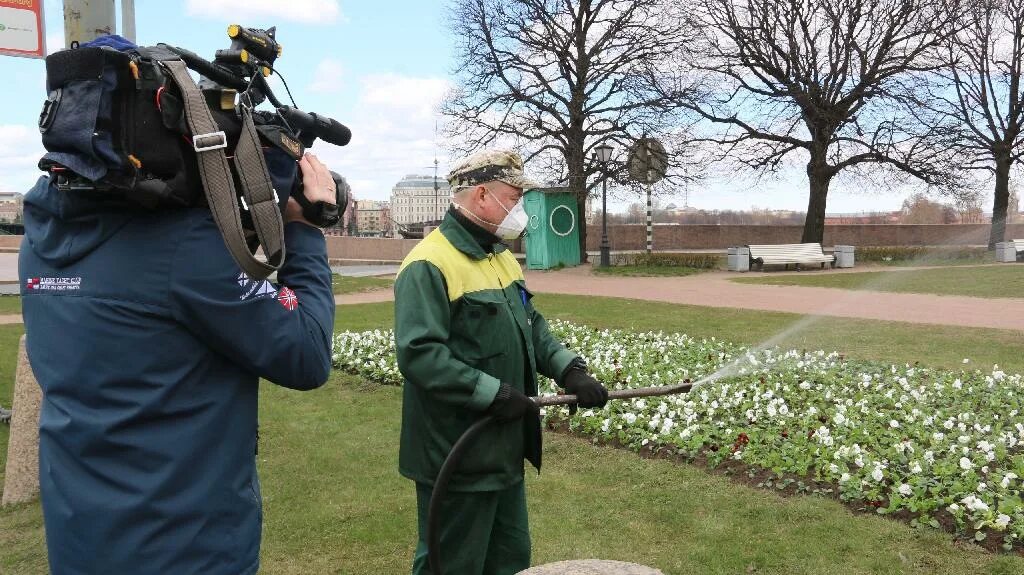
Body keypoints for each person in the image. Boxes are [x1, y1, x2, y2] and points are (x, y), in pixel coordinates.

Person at [19, 152, 338, 575]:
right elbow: (307, 352)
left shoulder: (41, 241)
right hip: (186, 547)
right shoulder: (183, 247)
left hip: (79, 538)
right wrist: (305, 227)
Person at [394, 149, 610, 574]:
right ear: (480, 196)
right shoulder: (428, 264)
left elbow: (531, 324)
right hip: (456, 452)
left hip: (503, 447)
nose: (519, 210)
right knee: (452, 563)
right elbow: (421, 355)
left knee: (510, 559)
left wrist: (569, 369)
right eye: (513, 198)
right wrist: (493, 393)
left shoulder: (501, 257)